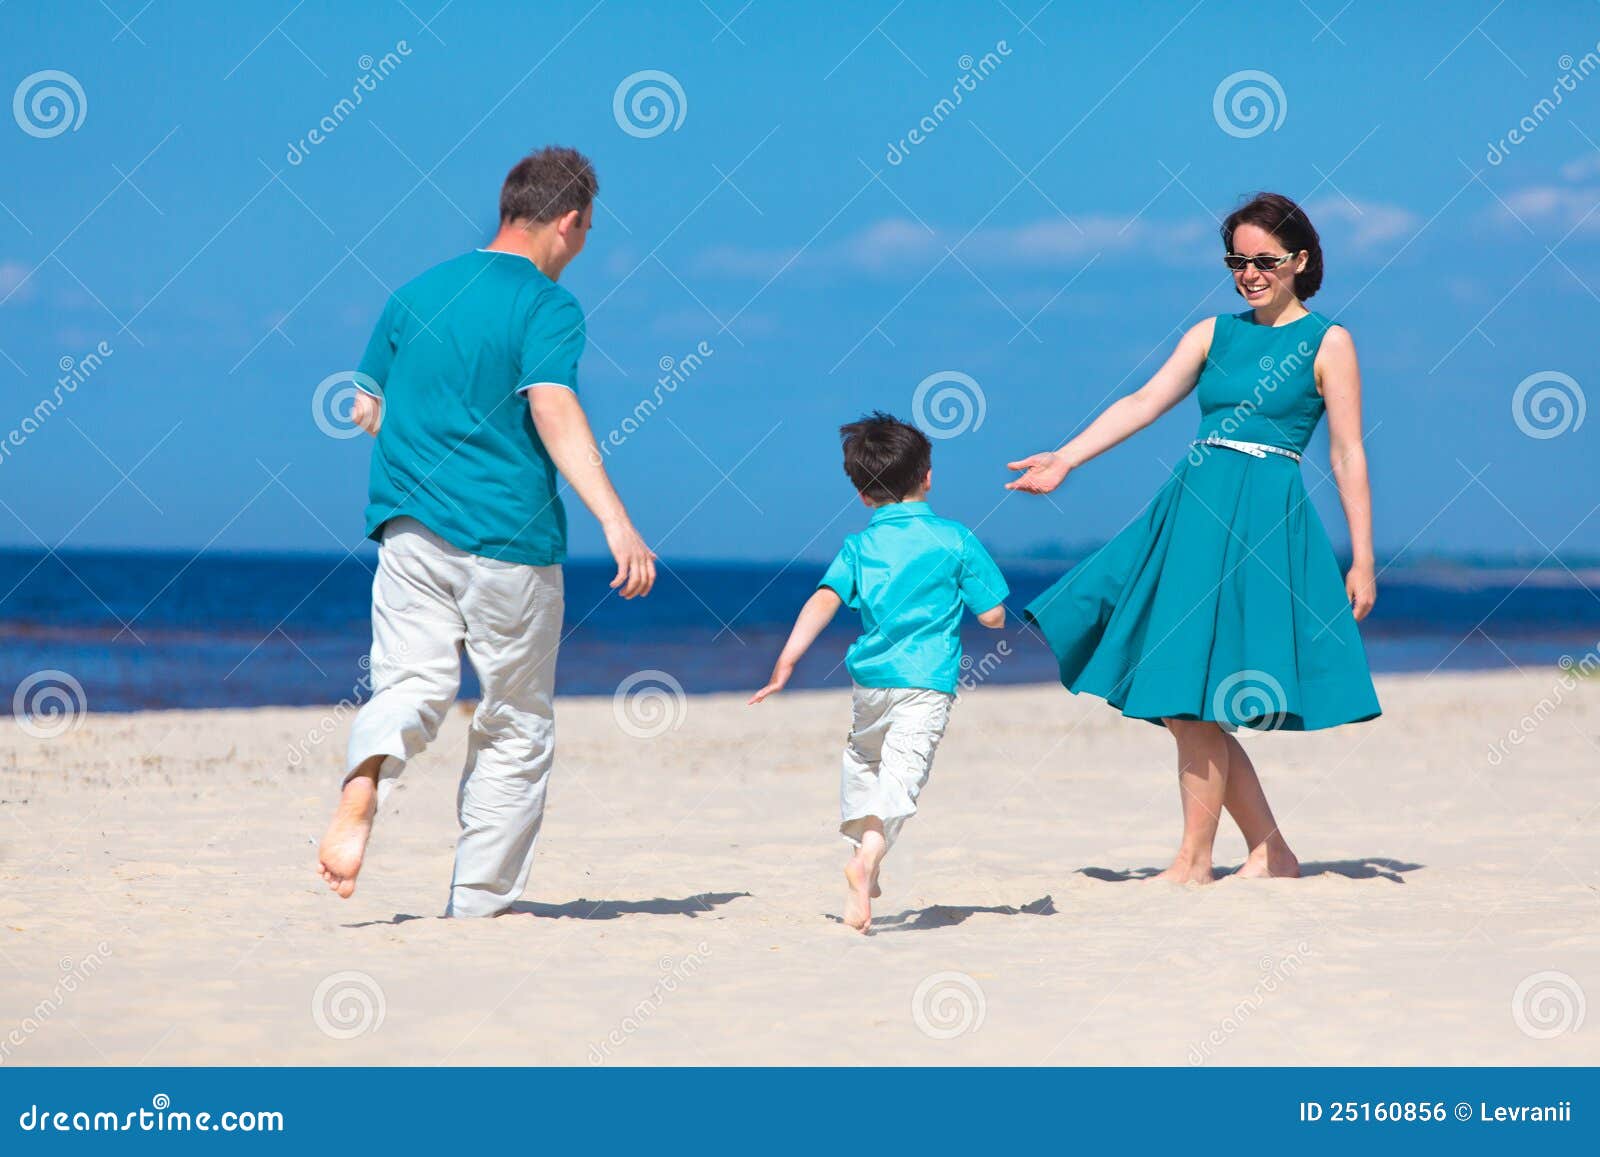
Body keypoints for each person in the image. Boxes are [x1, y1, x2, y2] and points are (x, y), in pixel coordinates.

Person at [316, 146, 656, 916]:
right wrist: (615, 518)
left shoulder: (413, 294)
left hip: (407, 532)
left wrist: (419, 447)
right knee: (515, 720)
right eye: (588, 232)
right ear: (567, 222)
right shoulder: (546, 304)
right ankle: (478, 900)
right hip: (510, 540)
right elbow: (551, 404)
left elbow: (364, 407)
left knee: (411, 684)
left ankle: (364, 780)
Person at [1006, 191, 1380, 885]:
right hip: (1191, 513)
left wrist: (1361, 555)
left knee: (1200, 699)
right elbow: (1143, 402)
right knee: (1186, 697)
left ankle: (1196, 860)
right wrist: (1067, 456)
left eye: (1264, 259)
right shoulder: (1213, 333)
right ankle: (1269, 853)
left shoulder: (1330, 341)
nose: (1249, 272)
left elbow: (1348, 453)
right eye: (1237, 259)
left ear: (1300, 260)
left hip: (1264, 525)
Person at [750, 412, 1008, 931]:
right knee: (902, 777)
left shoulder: (859, 546)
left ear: (863, 495)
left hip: (870, 682)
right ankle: (865, 862)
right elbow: (993, 614)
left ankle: (863, 869)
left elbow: (823, 600)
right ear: (928, 476)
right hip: (927, 683)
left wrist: (787, 661)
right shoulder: (955, 539)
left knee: (864, 764)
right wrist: (976, 605)